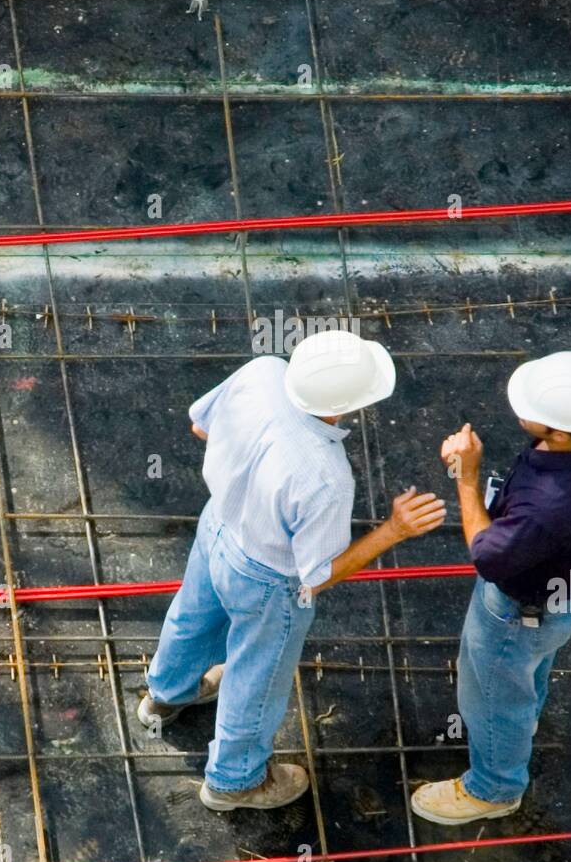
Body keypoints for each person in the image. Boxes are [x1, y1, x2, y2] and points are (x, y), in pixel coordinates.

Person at [140, 329, 446, 811]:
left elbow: (202, 427)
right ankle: (234, 781)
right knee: (256, 677)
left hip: (217, 525)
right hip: (267, 579)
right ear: (347, 404)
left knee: (192, 614)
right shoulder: (325, 475)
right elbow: (316, 575)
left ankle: (165, 694)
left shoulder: (262, 372)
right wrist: (394, 529)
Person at [412, 351, 571, 827]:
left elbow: (488, 554)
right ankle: (520, 722)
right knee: (526, 669)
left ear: (557, 433)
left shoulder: (548, 506)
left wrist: (466, 476)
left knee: (491, 690)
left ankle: (494, 787)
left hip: (520, 607)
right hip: (569, 591)